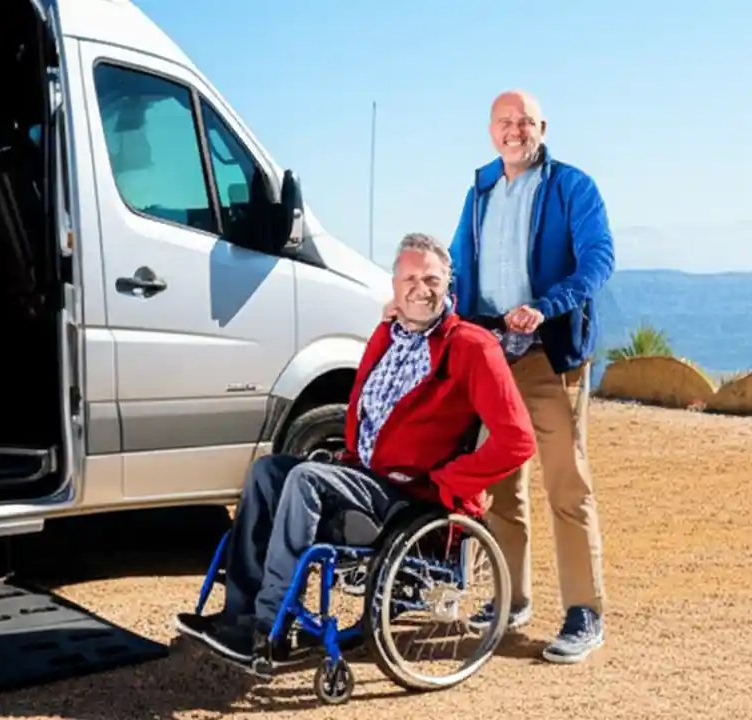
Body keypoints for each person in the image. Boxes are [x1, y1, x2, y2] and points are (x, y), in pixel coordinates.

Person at [175, 233, 537, 665]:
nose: (421, 288)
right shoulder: (387, 334)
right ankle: (239, 614)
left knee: (307, 479)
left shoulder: (472, 347)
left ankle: (267, 626)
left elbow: (518, 440)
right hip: (364, 473)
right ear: (394, 286)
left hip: (410, 492)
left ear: (449, 284)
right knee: (268, 471)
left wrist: (450, 481)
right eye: (409, 278)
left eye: (432, 278)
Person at [441, 89, 615, 664]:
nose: (514, 130)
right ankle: (512, 599)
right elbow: (457, 268)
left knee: (566, 482)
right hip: (490, 353)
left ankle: (584, 612)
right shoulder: (479, 191)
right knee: (499, 482)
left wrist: (546, 303)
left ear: (542, 127)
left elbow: (599, 258)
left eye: (524, 121)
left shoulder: (572, 186)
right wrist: (429, 304)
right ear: (491, 131)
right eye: (504, 122)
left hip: (548, 350)